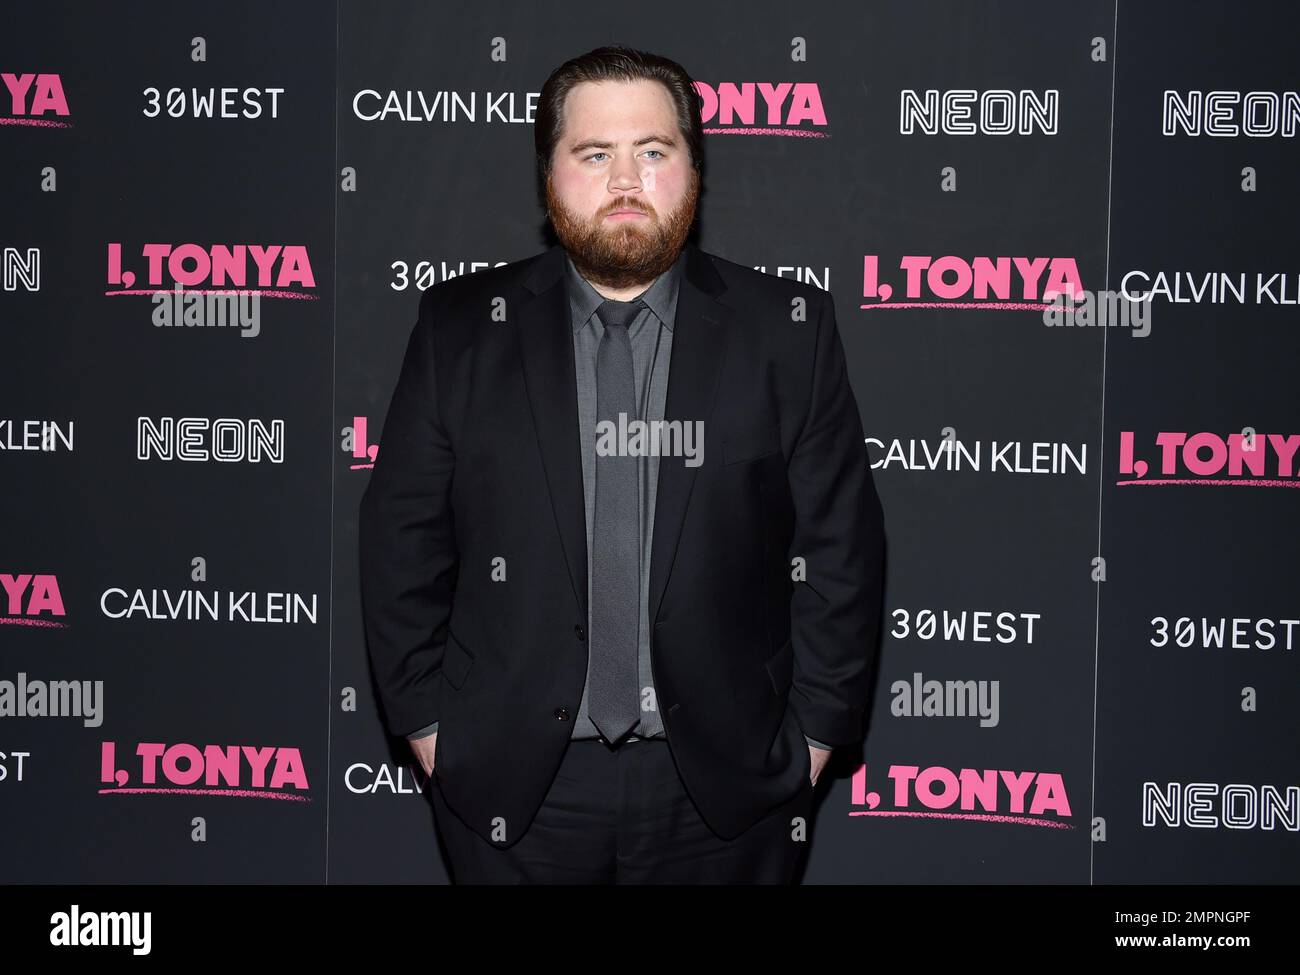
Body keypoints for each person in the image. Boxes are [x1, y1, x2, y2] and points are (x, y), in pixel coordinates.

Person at [359, 44, 885, 883]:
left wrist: (813, 743)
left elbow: (841, 556)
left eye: (653, 151)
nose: (625, 180)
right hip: (513, 789)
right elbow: (401, 545)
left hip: (725, 792)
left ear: (694, 170)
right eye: (594, 154)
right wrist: (431, 728)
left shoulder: (787, 330)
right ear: (550, 178)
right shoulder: (460, 330)